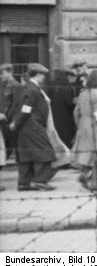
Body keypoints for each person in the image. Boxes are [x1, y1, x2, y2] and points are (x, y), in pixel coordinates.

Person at [8, 63, 58, 191]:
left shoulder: (25, 88)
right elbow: (26, 109)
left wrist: (16, 122)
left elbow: (17, 107)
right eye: (43, 75)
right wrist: (16, 123)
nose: (44, 78)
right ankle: (40, 180)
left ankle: (23, 183)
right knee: (46, 151)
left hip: (26, 126)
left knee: (27, 154)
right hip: (32, 126)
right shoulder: (32, 90)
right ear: (38, 75)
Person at [71, 70, 97, 193]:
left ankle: (84, 175)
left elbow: (76, 112)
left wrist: (80, 124)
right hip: (96, 128)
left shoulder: (83, 93)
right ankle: (94, 182)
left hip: (84, 126)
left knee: (89, 154)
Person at [50, 68, 79, 147]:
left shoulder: (52, 84)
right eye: (75, 77)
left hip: (54, 116)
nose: (75, 79)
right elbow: (70, 103)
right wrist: (75, 101)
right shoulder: (67, 87)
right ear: (69, 76)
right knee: (67, 139)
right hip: (66, 118)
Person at [0, 63, 21, 172]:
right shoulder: (3, 85)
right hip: (3, 122)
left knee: (17, 147)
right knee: (5, 148)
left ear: (9, 72)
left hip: (11, 122)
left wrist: (12, 119)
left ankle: (25, 173)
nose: (1, 75)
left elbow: (17, 105)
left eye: (2, 73)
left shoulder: (16, 85)